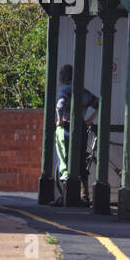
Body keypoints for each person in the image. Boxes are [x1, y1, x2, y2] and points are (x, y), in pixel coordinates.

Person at [54, 64, 99, 202]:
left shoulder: (66, 91)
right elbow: (99, 103)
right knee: (80, 160)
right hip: (81, 128)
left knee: (64, 160)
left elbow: (60, 106)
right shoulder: (84, 92)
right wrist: (89, 120)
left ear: (62, 77)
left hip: (66, 128)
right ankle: (84, 195)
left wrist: (59, 120)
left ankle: (67, 195)